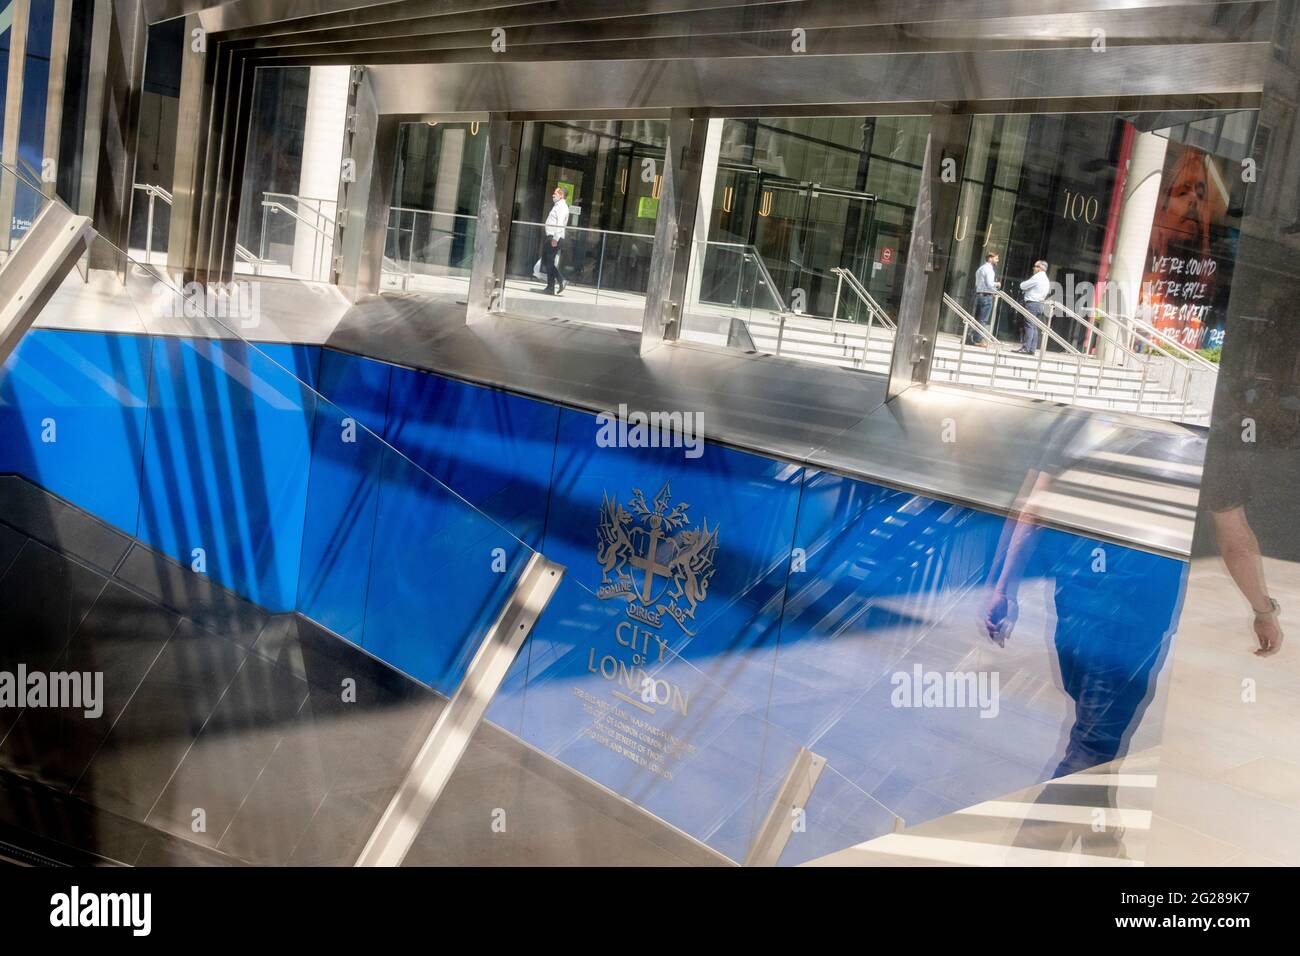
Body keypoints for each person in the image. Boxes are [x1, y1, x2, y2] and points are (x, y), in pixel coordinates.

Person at [541, 186, 569, 295]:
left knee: (549, 262)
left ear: (561, 195)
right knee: (547, 261)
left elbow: (560, 223)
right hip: (551, 236)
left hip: (554, 237)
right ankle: (550, 287)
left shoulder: (562, 207)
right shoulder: (557, 206)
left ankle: (561, 280)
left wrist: (555, 239)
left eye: (555, 193)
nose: (553, 195)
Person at [1017, 259, 1049, 354]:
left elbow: (1023, 286)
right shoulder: (1046, 279)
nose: (1033, 268)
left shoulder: (1037, 277)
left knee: (1029, 326)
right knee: (1034, 327)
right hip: (1040, 304)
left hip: (1032, 304)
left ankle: (1026, 347)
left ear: (1039, 268)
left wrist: (1025, 287)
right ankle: (1032, 349)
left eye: (1035, 266)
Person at [968, 251, 1000, 345]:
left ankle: (970, 338)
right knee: (983, 319)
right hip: (986, 296)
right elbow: (990, 284)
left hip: (979, 295)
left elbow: (978, 283)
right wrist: (997, 284)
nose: (997, 260)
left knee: (976, 319)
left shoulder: (980, 268)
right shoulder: (989, 269)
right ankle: (978, 339)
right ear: (990, 258)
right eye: (996, 258)